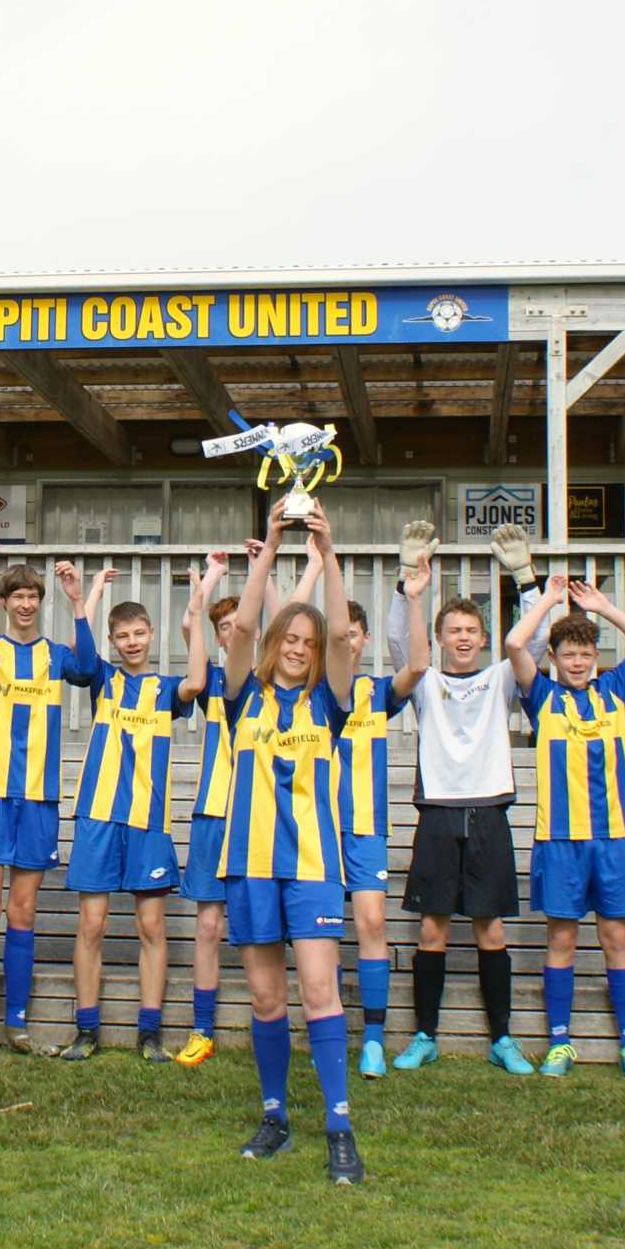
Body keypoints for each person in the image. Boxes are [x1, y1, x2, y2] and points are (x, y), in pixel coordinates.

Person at [220, 500, 363, 1185]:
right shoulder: (241, 695)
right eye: (292, 639)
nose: (301, 647)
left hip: (310, 867)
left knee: (318, 990)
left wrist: (328, 554)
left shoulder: (328, 702)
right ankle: (274, 1114)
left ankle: (339, 1125)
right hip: (248, 865)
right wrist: (272, 546)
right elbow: (243, 623)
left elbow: (341, 634)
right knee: (267, 998)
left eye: (308, 642)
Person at [386, 520, 541, 1075]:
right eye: (452, 629)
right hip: (437, 814)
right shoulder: (424, 680)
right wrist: (408, 584)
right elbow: (402, 645)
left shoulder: (502, 677)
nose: (464, 637)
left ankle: (502, 1039)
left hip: (490, 810)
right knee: (432, 929)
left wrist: (525, 579)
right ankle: (424, 1034)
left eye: (472, 629)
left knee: (490, 929)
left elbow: (533, 641)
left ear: (483, 636)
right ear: (441, 636)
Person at [507, 575, 625, 1079]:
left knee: (615, 937)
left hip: (612, 839)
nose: (578, 663)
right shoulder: (542, 697)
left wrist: (604, 607)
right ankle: (560, 1042)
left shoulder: (615, 689)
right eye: (568, 655)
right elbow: (514, 643)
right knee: (562, 939)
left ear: (595, 657)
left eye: (585, 654)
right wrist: (551, 600)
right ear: (553, 659)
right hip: (559, 840)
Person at [0, 539, 101, 1059]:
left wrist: (77, 602)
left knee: (22, 912)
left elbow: (89, 669)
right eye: (16, 595)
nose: (24, 603)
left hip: (38, 798)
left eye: (32, 596)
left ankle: (15, 1024)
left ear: (39, 602)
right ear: (4, 602)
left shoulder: (55, 657)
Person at [292, 554, 426, 1079]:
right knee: (320, 933)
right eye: (336, 636)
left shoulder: (372, 692)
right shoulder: (309, 695)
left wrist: (413, 599)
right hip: (313, 830)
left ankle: (372, 1036)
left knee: (371, 921)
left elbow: (416, 665)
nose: (346, 642)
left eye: (353, 634)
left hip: (365, 827)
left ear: (364, 639)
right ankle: (328, 1026)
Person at [58, 565, 188, 1062]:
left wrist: (195, 610)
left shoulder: (167, 688)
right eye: (123, 636)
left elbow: (197, 682)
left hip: (148, 822)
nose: (131, 642)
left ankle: (149, 1032)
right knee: (90, 927)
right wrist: (80, 599)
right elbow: (83, 657)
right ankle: (86, 1030)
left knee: (151, 929)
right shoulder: (103, 678)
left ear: (150, 635)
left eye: (138, 633)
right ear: (113, 641)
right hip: (97, 816)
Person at [173, 557, 251, 1068]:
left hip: (259, 816)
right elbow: (187, 626)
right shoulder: (212, 681)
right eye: (222, 628)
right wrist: (208, 583)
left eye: (237, 625)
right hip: (212, 812)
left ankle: (280, 1021)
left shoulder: (273, 679)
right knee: (207, 926)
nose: (230, 633)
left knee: (263, 926)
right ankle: (202, 1029)